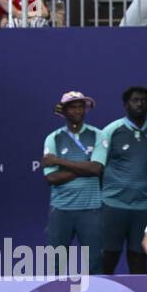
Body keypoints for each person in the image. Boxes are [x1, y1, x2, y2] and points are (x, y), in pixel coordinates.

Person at [92, 87, 147, 275]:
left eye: (144, 100)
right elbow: (98, 168)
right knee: (108, 258)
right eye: (135, 100)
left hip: (144, 207)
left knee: (139, 260)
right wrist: (115, 190)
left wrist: (141, 190)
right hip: (113, 205)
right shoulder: (111, 131)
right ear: (126, 104)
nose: (140, 103)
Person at [42, 91, 103, 277]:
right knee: (55, 265)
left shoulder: (98, 135)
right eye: (73, 106)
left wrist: (60, 162)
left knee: (94, 263)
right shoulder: (53, 138)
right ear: (64, 110)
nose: (78, 110)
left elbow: (96, 169)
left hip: (90, 208)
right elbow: (51, 178)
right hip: (61, 209)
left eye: (81, 106)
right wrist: (84, 166)